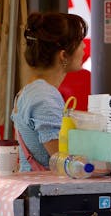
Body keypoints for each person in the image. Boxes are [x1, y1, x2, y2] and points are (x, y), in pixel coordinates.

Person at [11, 12, 88, 171]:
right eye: (80, 41)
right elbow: (63, 160)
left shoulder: (34, 90)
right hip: (45, 191)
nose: (84, 46)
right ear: (63, 55)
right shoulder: (44, 97)